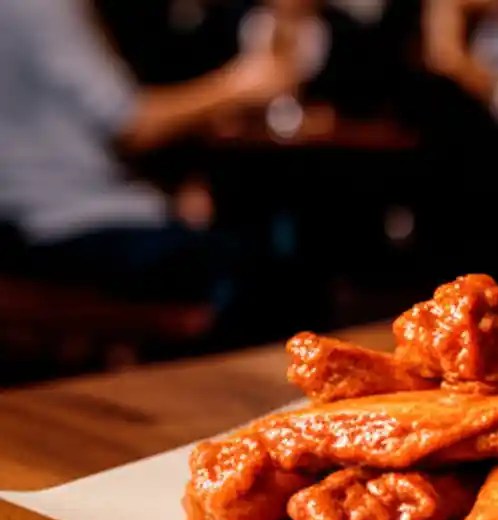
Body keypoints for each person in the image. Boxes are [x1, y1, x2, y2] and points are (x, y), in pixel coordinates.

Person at [0, 0, 297, 307]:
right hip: (67, 223)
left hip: (35, 218)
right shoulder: (41, 6)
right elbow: (130, 124)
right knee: (271, 273)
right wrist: (242, 84)